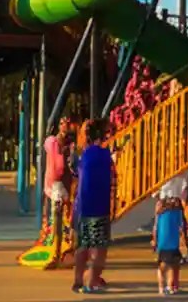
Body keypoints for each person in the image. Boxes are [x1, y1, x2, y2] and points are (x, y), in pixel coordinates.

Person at [71, 119, 115, 294]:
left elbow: (76, 177)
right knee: (99, 248)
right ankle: (92, 281)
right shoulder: (105, 156)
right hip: (99, 208)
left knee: (83, 246)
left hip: (82, 207)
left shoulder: (83, 156)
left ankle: (78, 280)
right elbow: (111, 180)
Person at [152, 191, 188, 295]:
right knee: (172, 266)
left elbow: (155, 228)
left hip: (162, 244)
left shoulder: (160, 213)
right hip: (173, 243)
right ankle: (170, 287)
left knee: (162, 268)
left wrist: (154, 241)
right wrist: (184, 241)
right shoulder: (177, 212)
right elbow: (181, 228)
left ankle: (161, 288)